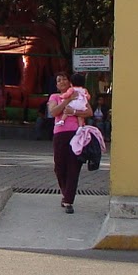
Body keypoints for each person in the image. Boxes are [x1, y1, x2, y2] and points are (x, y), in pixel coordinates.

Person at [47, 70, 91, 213]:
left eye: (64, 79)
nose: (61, 82)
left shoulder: (80, 93)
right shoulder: (55, 97)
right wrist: (67, 100)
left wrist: (74, 112)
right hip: (60, 135)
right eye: (58, 80)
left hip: (77, 134)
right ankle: (66, 193)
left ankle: (68, 201)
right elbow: (53, 112)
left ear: (69, 81)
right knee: (59, 167)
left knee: (74, 166)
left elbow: (89, 112)